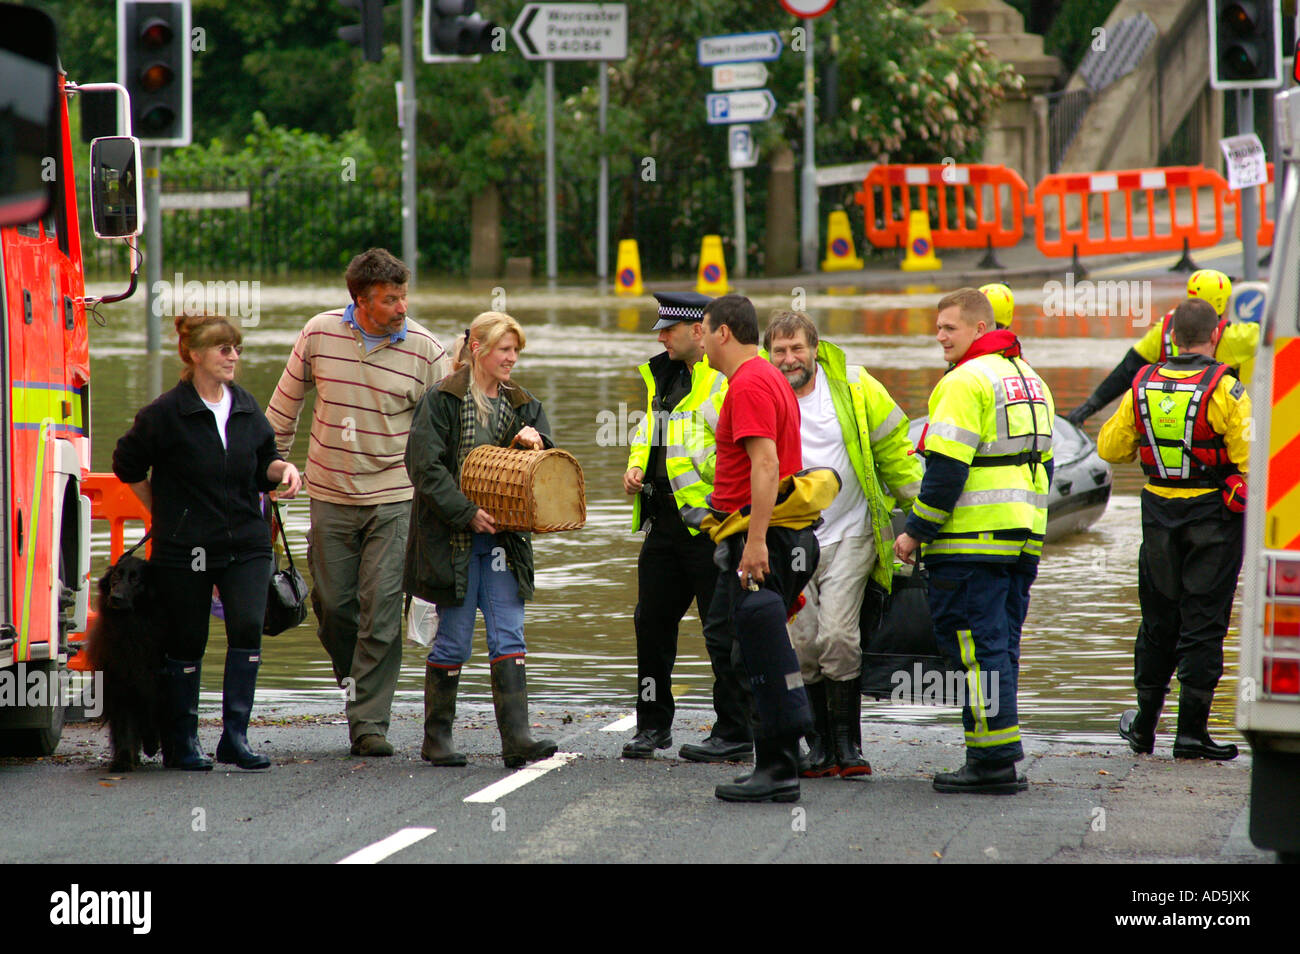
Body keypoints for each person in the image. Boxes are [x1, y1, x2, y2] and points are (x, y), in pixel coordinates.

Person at [266, 248, 451, 756]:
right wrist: (271, 467)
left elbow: (451, 429)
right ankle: (358, 683)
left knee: (382, 609)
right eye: (391, 299)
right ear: (360, 300)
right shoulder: (319, 334)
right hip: (328, 492)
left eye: (404, 296)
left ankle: (369, 722)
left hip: (395, 497)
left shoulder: (427, 350)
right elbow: (283, 408)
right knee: (333, 604)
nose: (401, 307)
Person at [113, 314, 303, 771]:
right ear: (195, 355)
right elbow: (127, 463)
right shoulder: (164, 414)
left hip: (247, 542)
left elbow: (264, 462)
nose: (233, 356)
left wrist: (284, 472)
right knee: (188, 640)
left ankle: (235, 739)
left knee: (246, 629)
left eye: (235, 348)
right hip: (187, 547)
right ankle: (182, 743)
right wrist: (163, 509)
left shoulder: (245, 405)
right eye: (223, 349)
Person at [893, 287, 1054, 794]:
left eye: (950, 328)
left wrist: (915, 531)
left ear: (980, 329)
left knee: (971, 646)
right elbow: (1043, 464)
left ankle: (988, 763)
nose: (940, 336)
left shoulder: (964, 381)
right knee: (1000, 645)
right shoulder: (1032, 380)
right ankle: (1000, 754)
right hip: (1022, 536)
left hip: (970, 541)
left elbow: (945, 472)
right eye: (937, 327)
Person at [765, 311, 922, 778]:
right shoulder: (758, 393)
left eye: (797, 349)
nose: (790, 359)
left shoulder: (854, 387)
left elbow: (894, 449)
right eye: (780, 351)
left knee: (838, 635)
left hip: (851, 532)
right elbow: (722, 448)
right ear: (768, 355)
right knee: (803, 642)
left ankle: (847, 746)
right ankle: (817, 745)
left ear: (815, 348)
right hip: (791, 539)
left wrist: (924, 516)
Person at [1096, 298, 1250, 761]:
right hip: (1213, 520)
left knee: (1159, 621)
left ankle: (1144, 728)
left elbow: (1109, 447)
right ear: (1215, 335)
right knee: (1203, 623)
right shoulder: (1226, 388)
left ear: (1171, 338)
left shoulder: (1142, 383)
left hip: (1157, 514)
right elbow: (1252, 457)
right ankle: (1190, 734)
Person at [404, 311, 558, 769]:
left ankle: (518, 739)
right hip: (451, 538)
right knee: (453, 639)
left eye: (516, 350)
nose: (512, 358)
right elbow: (424, 468)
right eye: (504, 350)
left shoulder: (524, 403)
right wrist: (467, 513)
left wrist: (539, 442)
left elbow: (544, 474)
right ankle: (437, 740)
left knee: (509, 630)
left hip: (504, 543)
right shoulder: (442, 399)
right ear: (478, 350)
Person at [698, 294, 832, 803]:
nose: (702, 342)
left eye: (705, 332)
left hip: (758, 537)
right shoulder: (767, 378)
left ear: (724, 333)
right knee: (756, 647)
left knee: (752, 649)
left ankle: (776, 769)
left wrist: (755, 542)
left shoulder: (751, 382)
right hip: (770, 535)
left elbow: (767, 466)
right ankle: (784, 756)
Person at [621, 291, 753, 763]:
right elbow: (649, 432)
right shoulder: (663, 374)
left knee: (723, 632)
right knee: (651, 626)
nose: (660, 337)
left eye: (668, 329)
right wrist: (637, 466)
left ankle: (735, 728)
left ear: (699, 331)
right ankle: (652, 727)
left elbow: (739, 452)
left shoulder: (724, 380)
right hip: (663, 524)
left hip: (710, 526)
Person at [1067, 269, 1257, 425]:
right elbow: (1274, 330)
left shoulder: (1164, 330)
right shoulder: (1235, 337)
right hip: (1211, 421)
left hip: (1168, 419)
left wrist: (1090, 407)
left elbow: (1127, 369)